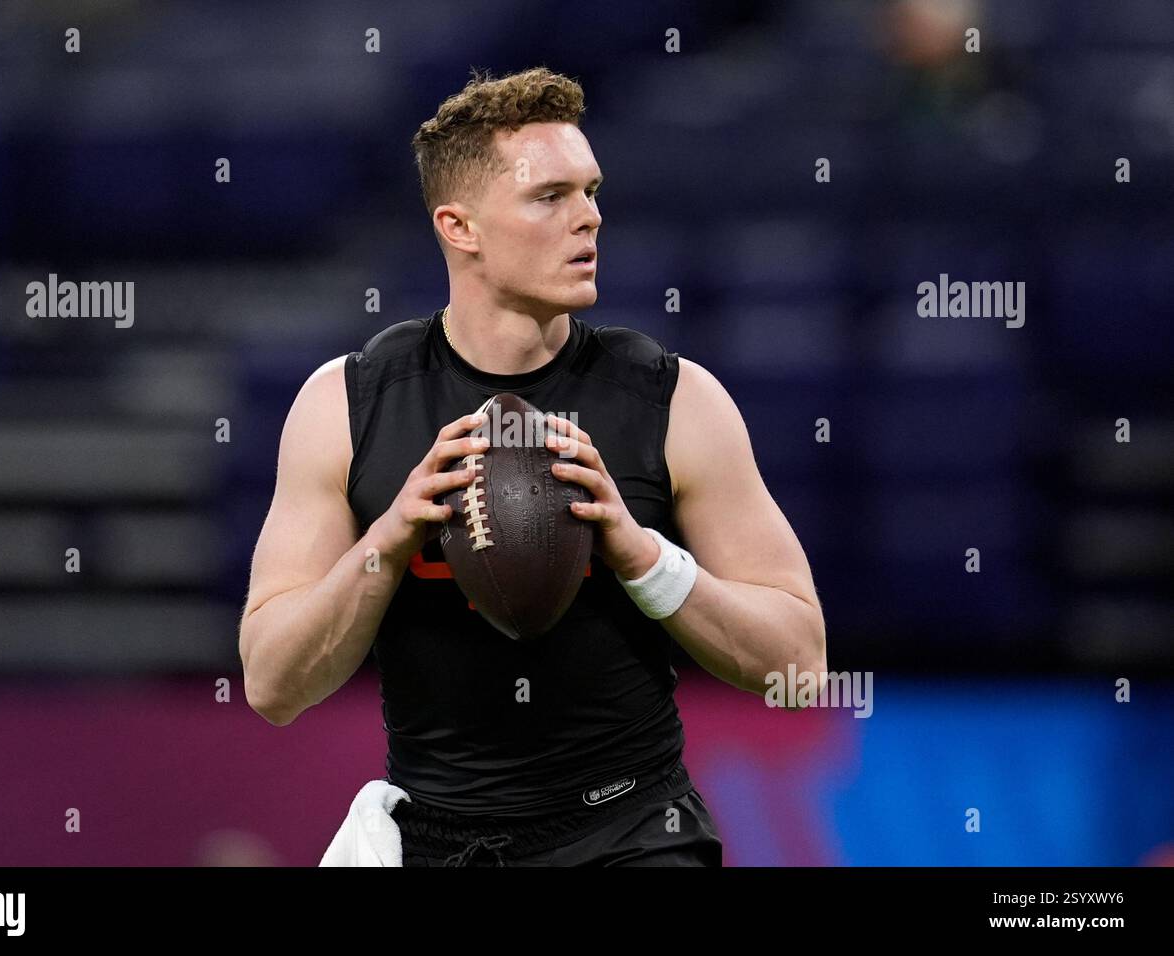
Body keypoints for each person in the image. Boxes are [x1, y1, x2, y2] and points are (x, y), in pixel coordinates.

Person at [238, 66, 825, 866]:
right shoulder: (346, 403)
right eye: (551, 196)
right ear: (461, 226)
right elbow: (274, 686)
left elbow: (800, 666)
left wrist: (641, 555)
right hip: (437, 841)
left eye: (591, 191)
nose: (590, 218)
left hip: (632, 832)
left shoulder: (674, 398)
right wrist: (390, 537)